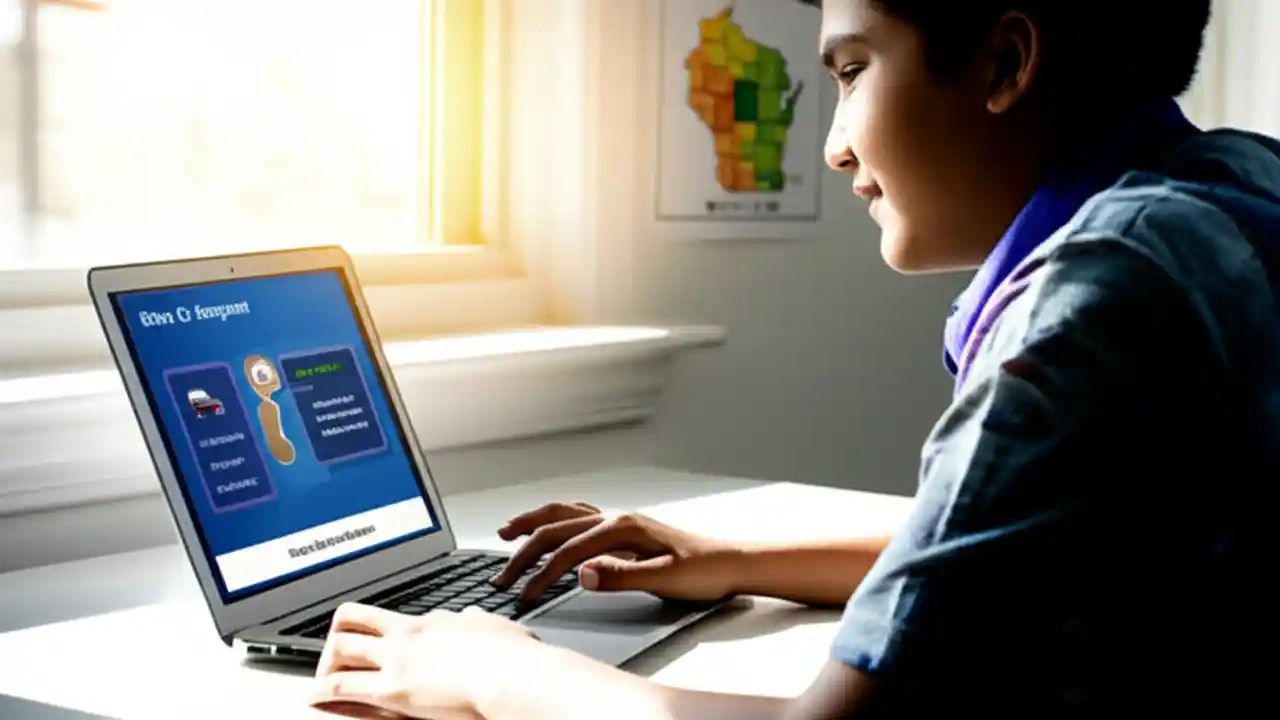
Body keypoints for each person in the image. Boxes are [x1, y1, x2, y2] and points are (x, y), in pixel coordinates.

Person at [309, 0, 1280, 717]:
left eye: (851, 72)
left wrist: (491, 670)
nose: (831, 149)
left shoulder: (1101, 295)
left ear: (1004, 61)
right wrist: (727, 559)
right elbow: (1016, 552)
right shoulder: (1234, 184)